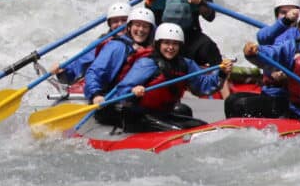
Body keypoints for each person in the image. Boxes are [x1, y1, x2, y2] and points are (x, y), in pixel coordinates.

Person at [94, 23, 234, 132]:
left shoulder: (186, 64)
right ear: (158, 44)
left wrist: (222, 73)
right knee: (179, 131)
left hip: (163, 114)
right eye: (166, 43)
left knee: (202, 127)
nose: (170, 47)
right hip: (138, 116)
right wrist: (133, 91)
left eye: (175, 44)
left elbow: (203, 87)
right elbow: (122, 90)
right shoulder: (147, 63)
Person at [224, 0, 300, 118]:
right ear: (277, 15)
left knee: (241, 105)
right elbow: (262, 36)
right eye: (283, 12)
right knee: (231, 100)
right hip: (269, 92)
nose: (289, 15)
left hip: (286, 97)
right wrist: (286, 20)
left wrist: (287, 77)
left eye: (292, 12)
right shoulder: (271, 33)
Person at [84, 6, 156, 104]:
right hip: (111, 100)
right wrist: (95, 94)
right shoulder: (117, 46)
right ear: (129, 27)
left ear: (151, 30)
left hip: (136, 100)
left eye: (145, 26)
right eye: (137, 25)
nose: (141, 29)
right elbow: (95, 72)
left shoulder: (154, 49)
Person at [50, 2, 132, 85]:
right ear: (110, 24)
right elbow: (82, 59)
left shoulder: (137, 40)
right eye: (115, 21)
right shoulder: (104, 41)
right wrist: (63, 71)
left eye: (124, 20)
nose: (120, 24)